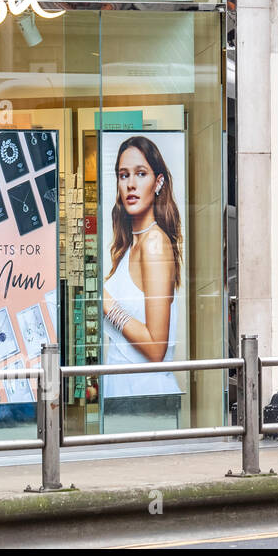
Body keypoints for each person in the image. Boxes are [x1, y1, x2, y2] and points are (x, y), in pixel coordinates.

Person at [101, 136, 182, 403]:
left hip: (143, 394)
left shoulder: (155, 243)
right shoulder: (131, 244)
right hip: (127, 390)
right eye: (124, 175)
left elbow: (156, 347)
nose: (131, 184)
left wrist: (107, 305)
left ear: (158, 182)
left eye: (141, 173)